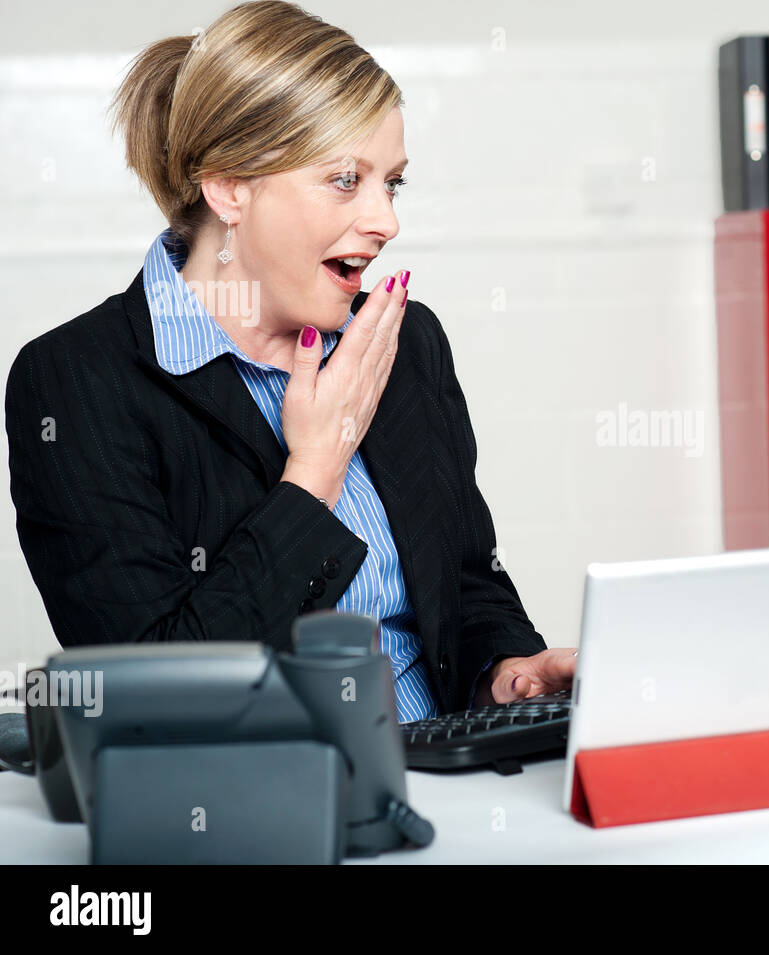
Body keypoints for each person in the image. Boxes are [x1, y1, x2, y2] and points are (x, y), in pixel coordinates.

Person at [3, 0, 574, 720]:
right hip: (264, 811)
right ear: (228, 186)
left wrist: (508, 672)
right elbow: (156, 701)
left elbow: (467, 584)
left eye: (392, 182)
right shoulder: (76, 383)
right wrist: (313, 474)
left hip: (448, 780)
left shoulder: (401, 343)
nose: (386, 221)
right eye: (346, 180)